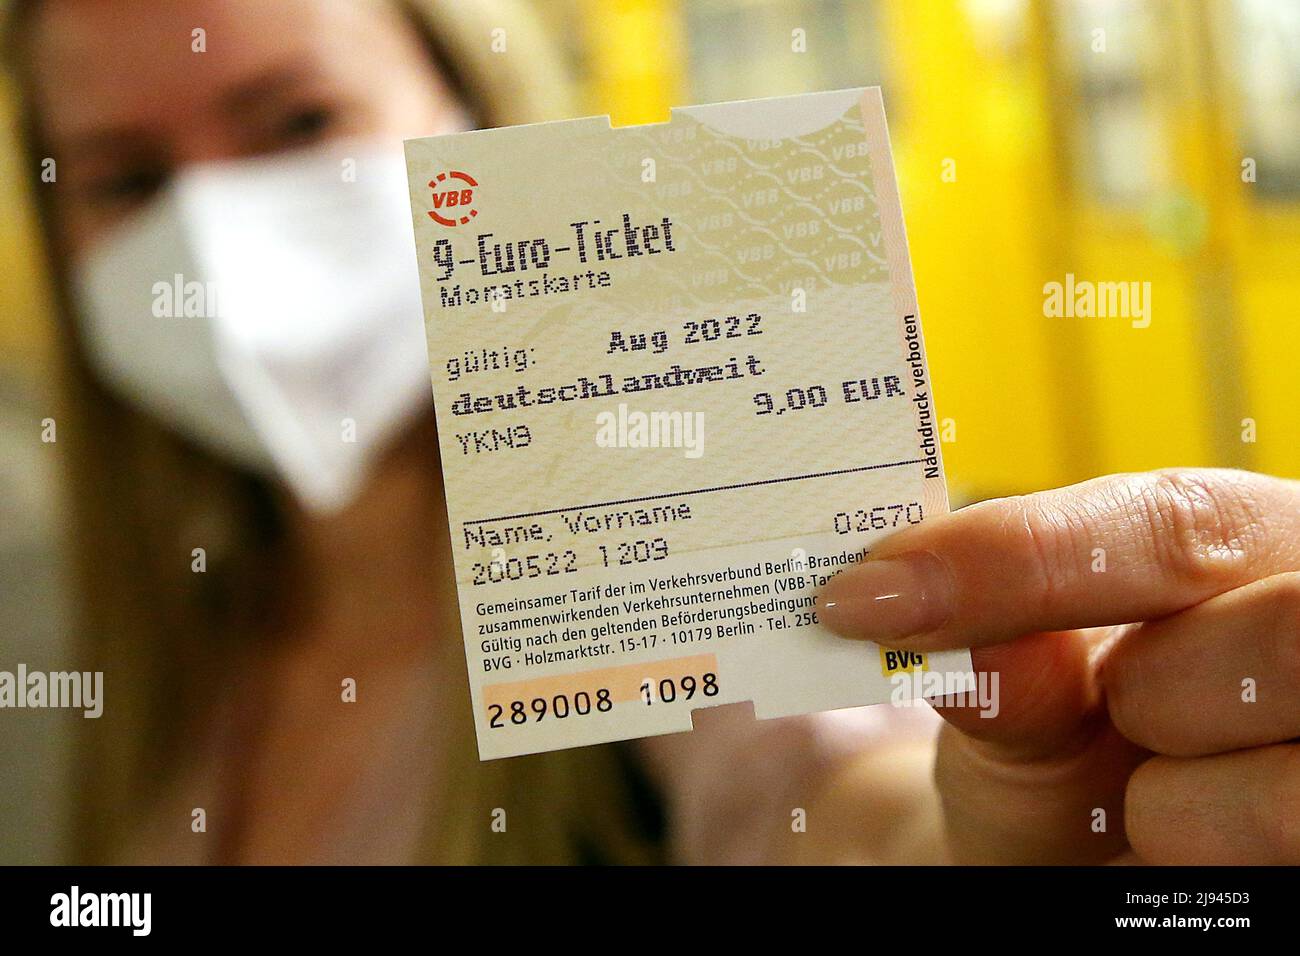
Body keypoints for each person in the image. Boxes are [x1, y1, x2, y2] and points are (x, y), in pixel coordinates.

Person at [6, 0, 1296, 865]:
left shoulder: (645, 477)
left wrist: (1014, 820)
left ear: (471, 119)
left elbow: (843, 803)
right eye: (126, 177)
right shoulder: (89, 602)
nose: (221, 245)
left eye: (299, 125)